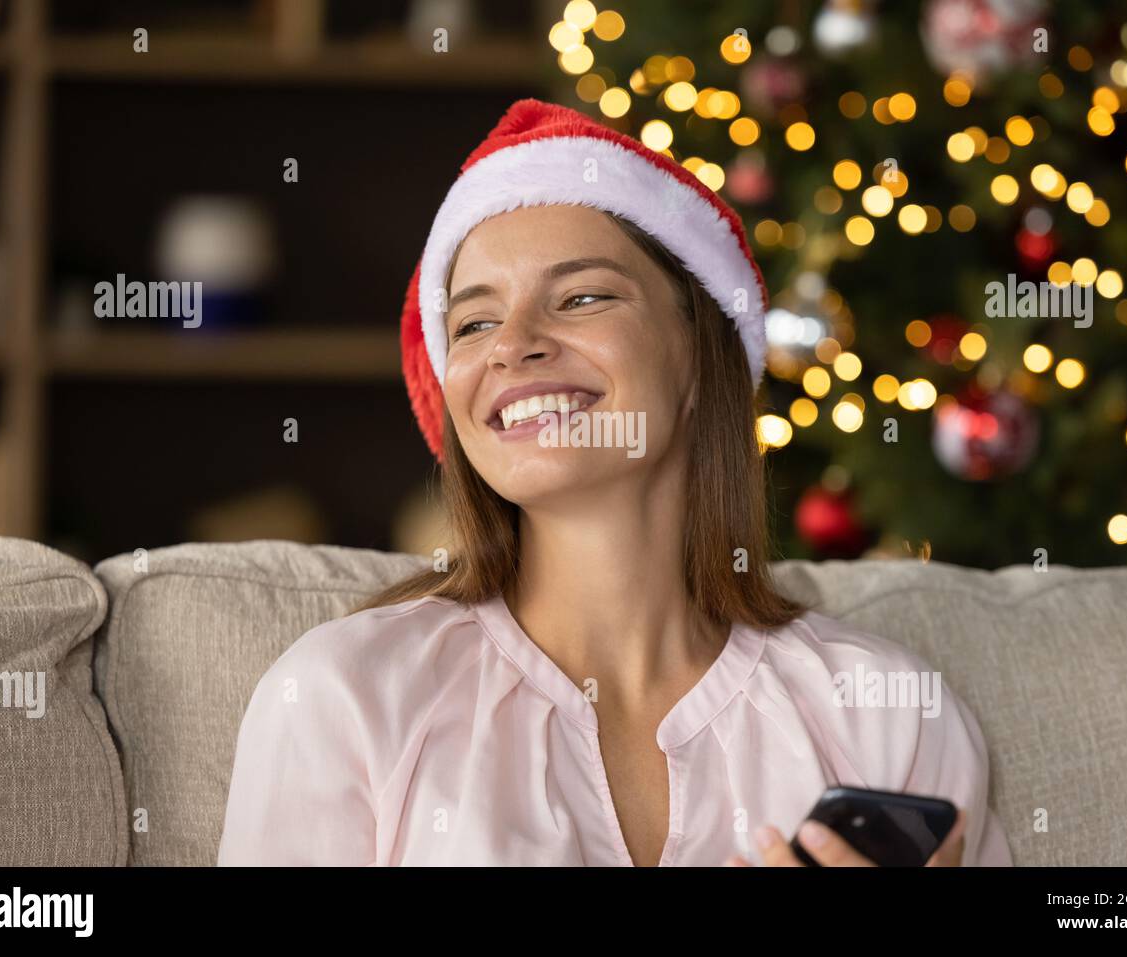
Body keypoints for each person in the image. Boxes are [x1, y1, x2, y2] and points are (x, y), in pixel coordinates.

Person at [217, 99, 1012, 867]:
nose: (514, 346)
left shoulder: (890, 716)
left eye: (584, 296)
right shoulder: (342, 696)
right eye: (474, 322)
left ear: (700, 353)